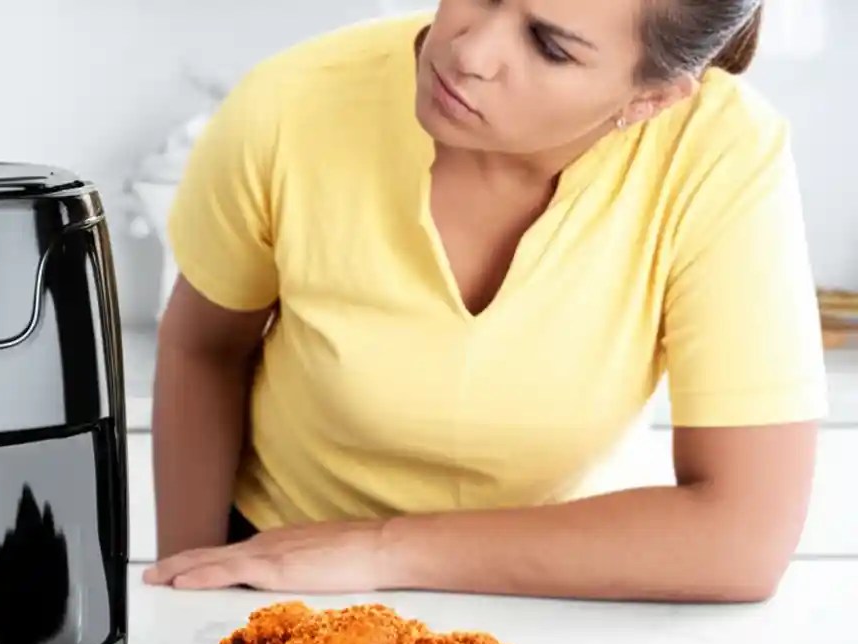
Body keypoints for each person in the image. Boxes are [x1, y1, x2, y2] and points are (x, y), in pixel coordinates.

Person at [143, 0, 827, 603]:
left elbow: (743, 537)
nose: (469, 52)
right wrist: (192, 590)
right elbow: (204, 349)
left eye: (550, 45)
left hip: (566, 584)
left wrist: (383, 549)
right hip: (279, 565)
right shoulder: (291, 103)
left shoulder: (720, 153)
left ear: (648, 100)